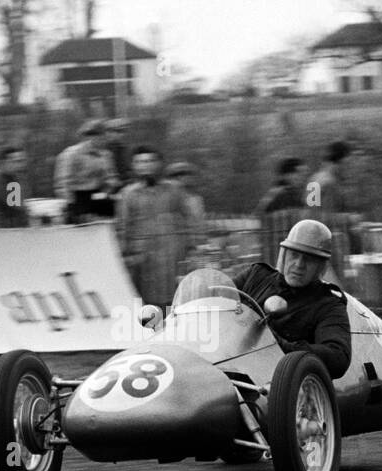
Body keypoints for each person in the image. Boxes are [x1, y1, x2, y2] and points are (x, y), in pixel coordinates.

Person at [230, 218, 352, 379]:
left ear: (320, 266)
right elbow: (219, 299)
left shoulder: (328, 304)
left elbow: (338, 358)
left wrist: (277, 344)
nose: (298, 265)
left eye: (308, 259)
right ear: (284, 255)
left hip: (270, 382)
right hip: (225, 360)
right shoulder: (256, 275)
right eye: (294, 255)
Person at [116, 146, 204, 308]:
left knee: (175, 300)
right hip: (141, 257)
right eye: (140, 162)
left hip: (172, 255)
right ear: (134, 166)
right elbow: (123, 227)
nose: (145, 165)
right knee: (142, 303)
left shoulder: (175, 190)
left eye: (150, 161)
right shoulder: (128, 194)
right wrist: (125, 255)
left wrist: (193, 248)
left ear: (159, 164)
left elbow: (189, 220)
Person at [54, 119, 119, 224]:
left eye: (105, 137)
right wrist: (71, 203)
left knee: (119, 210)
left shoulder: (106, 155)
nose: (105, 141)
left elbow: (111, 177)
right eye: (102, 137)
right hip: (78, 196)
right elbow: (63, 183)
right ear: (92, 137)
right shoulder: (72, 154)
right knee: (82, 220)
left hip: (98, 193)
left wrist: (109, 188)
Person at [0, 146, 30, 227]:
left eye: (23, 161)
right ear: (4, 163)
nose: (22, 165)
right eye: (17, 161)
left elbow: (18, 209)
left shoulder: (15, 179)